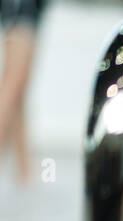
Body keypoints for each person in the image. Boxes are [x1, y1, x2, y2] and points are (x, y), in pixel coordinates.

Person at [0, 0, 47, 186]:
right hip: (20, 7)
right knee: (14, 82)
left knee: (18, 88)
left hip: (27, 8)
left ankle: (24, 173)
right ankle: (24, 174)